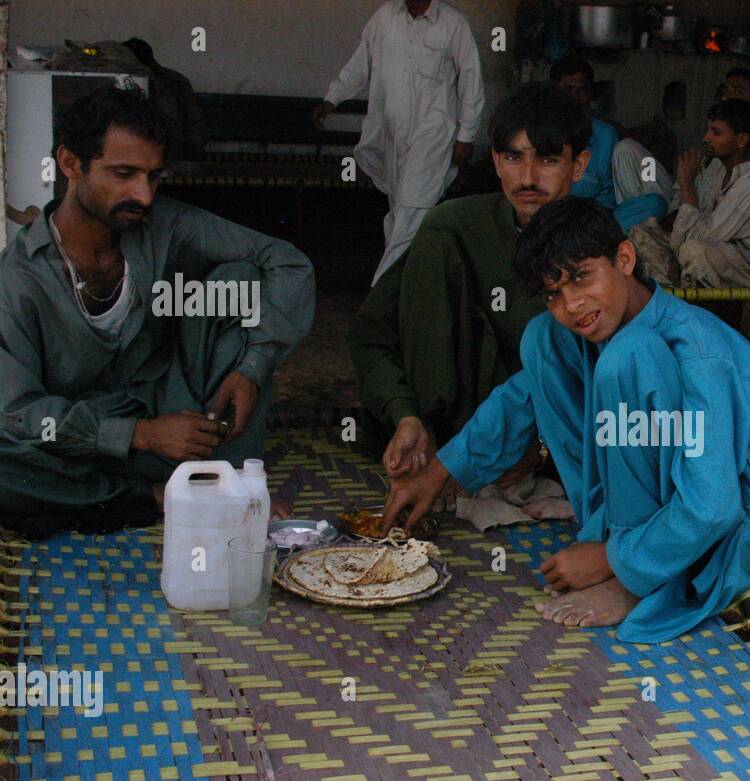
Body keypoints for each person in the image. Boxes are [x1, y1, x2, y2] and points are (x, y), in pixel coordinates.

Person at [382, 197, 750, 643]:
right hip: (678, 504)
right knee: (542, 337)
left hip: (737, 521)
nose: (573, 305)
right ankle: (613, 535)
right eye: (554, 293)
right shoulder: (591, 326)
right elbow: (521, 397)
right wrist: (440, 472)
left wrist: (613, 562)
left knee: (628, 356)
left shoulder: (698, 354)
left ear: (624, 258)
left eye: (581, 277)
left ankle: (635, 579)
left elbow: (714, 505)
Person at [0, 86, 313, 538]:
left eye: (154, 177)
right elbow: (21, 413)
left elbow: (285, 261)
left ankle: (222, 482)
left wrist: (252, 366)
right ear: (70, 163)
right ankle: (151, 497)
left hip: (180, 417)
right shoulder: (19, 278)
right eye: (124, 173)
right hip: (84, 441)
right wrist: (140, 434)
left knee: (238, 281)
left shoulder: (164, 224)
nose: (143, 196)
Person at [348, 83, 590, 503]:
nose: (528, 178)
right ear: (496, 162)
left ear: (579, 165)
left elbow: (607, 377)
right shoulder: (453, 227)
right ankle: (437, 450)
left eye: (549, 160)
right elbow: (370, 336)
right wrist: (405, 413)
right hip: (442, 436)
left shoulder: (598, 246)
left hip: (541, 445)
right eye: (514, 157)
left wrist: (540, 448)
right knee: (437, 244)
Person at [315, 0, 484, 284]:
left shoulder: (453, 24)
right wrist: (333, 98)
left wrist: (466, 135)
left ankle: (380, 291)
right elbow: (360, 63)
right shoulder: (384, 17)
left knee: (411, 208)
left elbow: (471, 79)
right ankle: (408, 288)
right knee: (398, 213)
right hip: (390, 133)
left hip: (433, 134)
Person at [630, 100, 750, 288]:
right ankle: (673, 289)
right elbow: (697, 220)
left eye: (716, 133)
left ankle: (683, 297)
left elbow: (703, 237)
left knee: (693, 251)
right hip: (724, 250)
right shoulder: (719, 168)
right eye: (708, 130)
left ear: (741, 140)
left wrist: (687, 182)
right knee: (642, 233)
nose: (706, 138)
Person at [550, 55, 670, 230]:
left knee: (655, 204)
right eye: (567, 89)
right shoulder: (539, 131)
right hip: (554, 221)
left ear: (591, 95)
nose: (575, 97)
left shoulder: (605, 134)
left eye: (582, 90)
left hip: (595, 223)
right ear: (553, 92)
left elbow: (608, 195)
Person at [122, 38, 208, 160]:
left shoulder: (175, 83)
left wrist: (188, 152)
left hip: (171, 153)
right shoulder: (173, 81)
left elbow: (196, 125)